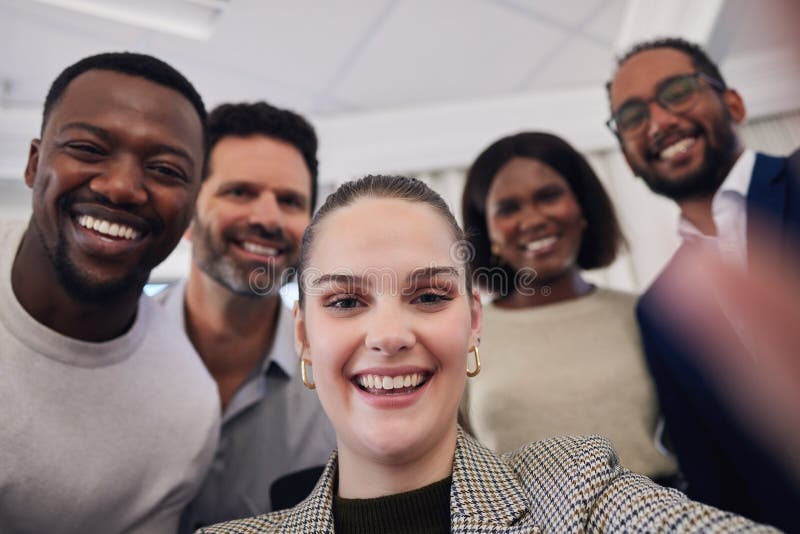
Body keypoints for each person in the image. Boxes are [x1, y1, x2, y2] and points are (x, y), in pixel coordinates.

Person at [198, 174, 773, 533]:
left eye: (428, 295)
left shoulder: (577, 493)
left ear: (473, 322)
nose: (389, 334)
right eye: (346, 301)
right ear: (304, 335)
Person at [0, 52, 219, 533]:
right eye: (88, 148)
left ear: (192, 208)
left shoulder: (184, 411)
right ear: (35, 163)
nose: (121, 188)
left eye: (165, 170)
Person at [606, 37, 800, 529]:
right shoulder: (659, 311)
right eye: (632, 117)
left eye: (677, 91)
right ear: (627, 157)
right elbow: (713, 477)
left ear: (732, 103)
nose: (658, 121)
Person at [155, 101, 335, 531]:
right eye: (240, 192)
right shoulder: (111, 351)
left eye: (289, 201)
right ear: (187, 213)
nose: (268, 218)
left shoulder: (340, 377)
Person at [460, 131, 676, 482]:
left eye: (548, 196)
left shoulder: (644, 315)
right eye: (508, 208)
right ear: (488, 232)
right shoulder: (465, 333)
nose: (532, 220)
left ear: (582, 207)